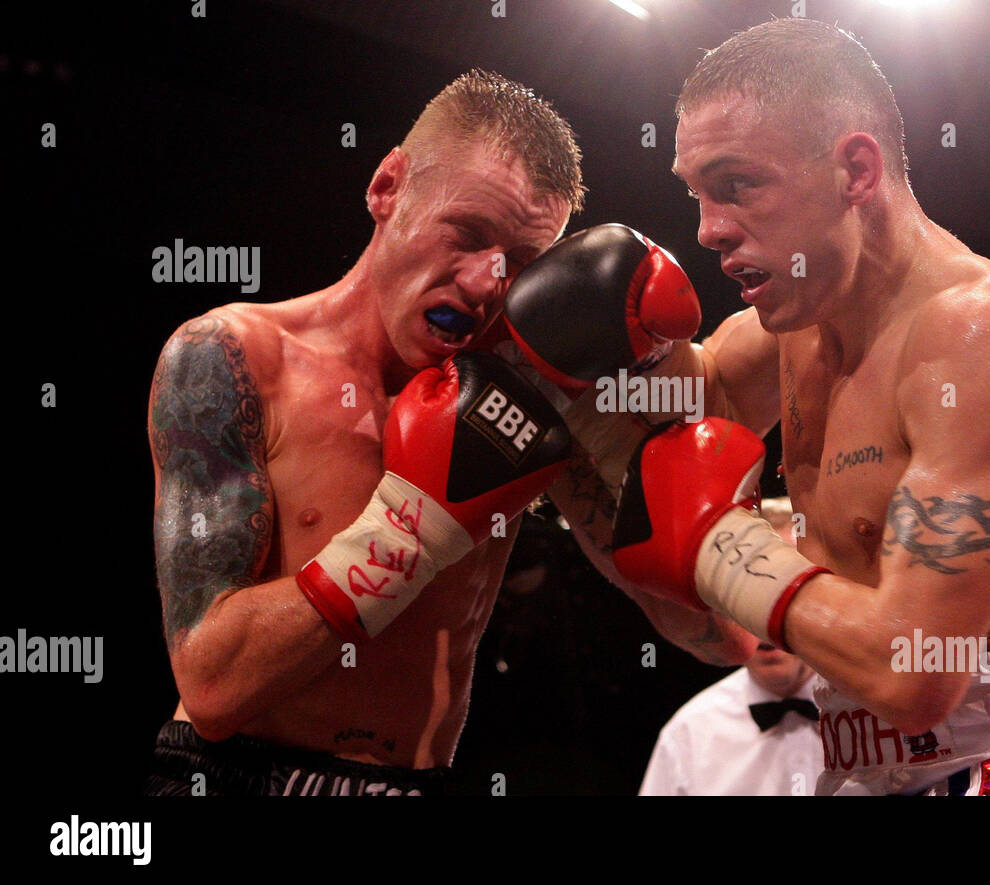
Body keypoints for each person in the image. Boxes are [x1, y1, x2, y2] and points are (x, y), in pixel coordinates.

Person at [560, 19, 990, 796]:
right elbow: (678, 415)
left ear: (855, 169)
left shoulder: (981, 331)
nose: (708, 229)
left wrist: (724, 550)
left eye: (738, 185)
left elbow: (916, 667)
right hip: (853, 768)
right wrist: (567, 372)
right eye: (696, 194)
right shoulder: (799, 322)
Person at [143, 69, 733, 796]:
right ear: (388, 185)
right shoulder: (233, 359)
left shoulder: (527, 392)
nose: (488, 281)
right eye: (470, 234)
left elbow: (702, 633)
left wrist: (704, 522)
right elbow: (213, 684)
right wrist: (405, 533)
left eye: (520, 263)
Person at [639, 500, 822, 796]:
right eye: (749, 592)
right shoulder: (690, 732)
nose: (765, 616)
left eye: (784, 590)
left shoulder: (879, 706)